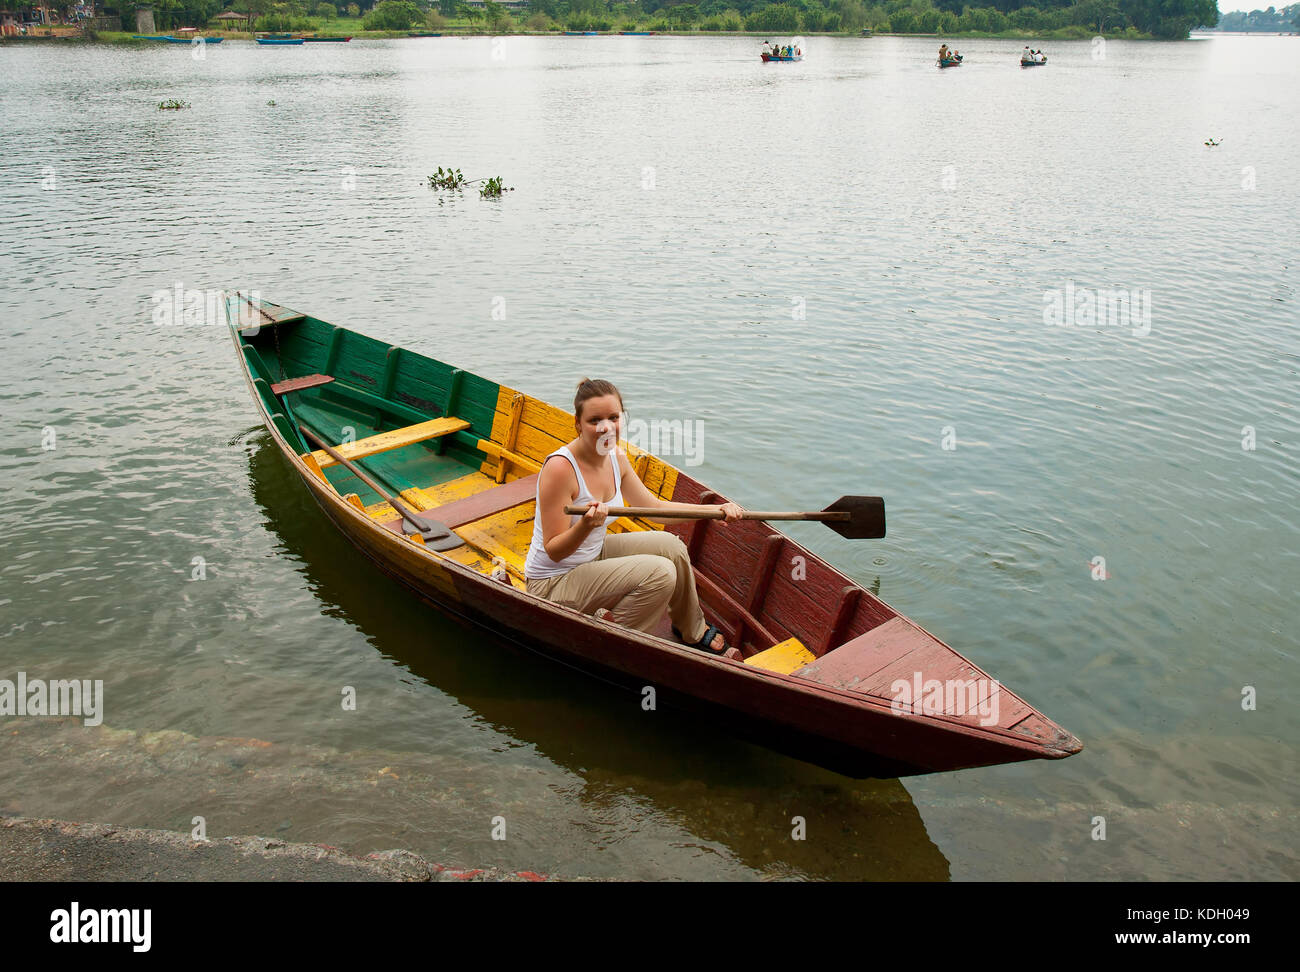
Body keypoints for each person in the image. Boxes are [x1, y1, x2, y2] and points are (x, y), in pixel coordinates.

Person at [523, 378, 744, 657]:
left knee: (671, 547)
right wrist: (586, 526)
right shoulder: (560, 468)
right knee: (660, 573)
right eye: (594, 420)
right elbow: (554, 550)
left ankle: (692, 629)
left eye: (613, 417)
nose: (606, 427)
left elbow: (652, 508)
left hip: (591, 556)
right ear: (577, 423)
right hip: (553, 581)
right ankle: (614, 648)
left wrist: (712, 512)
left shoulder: (615, 456)